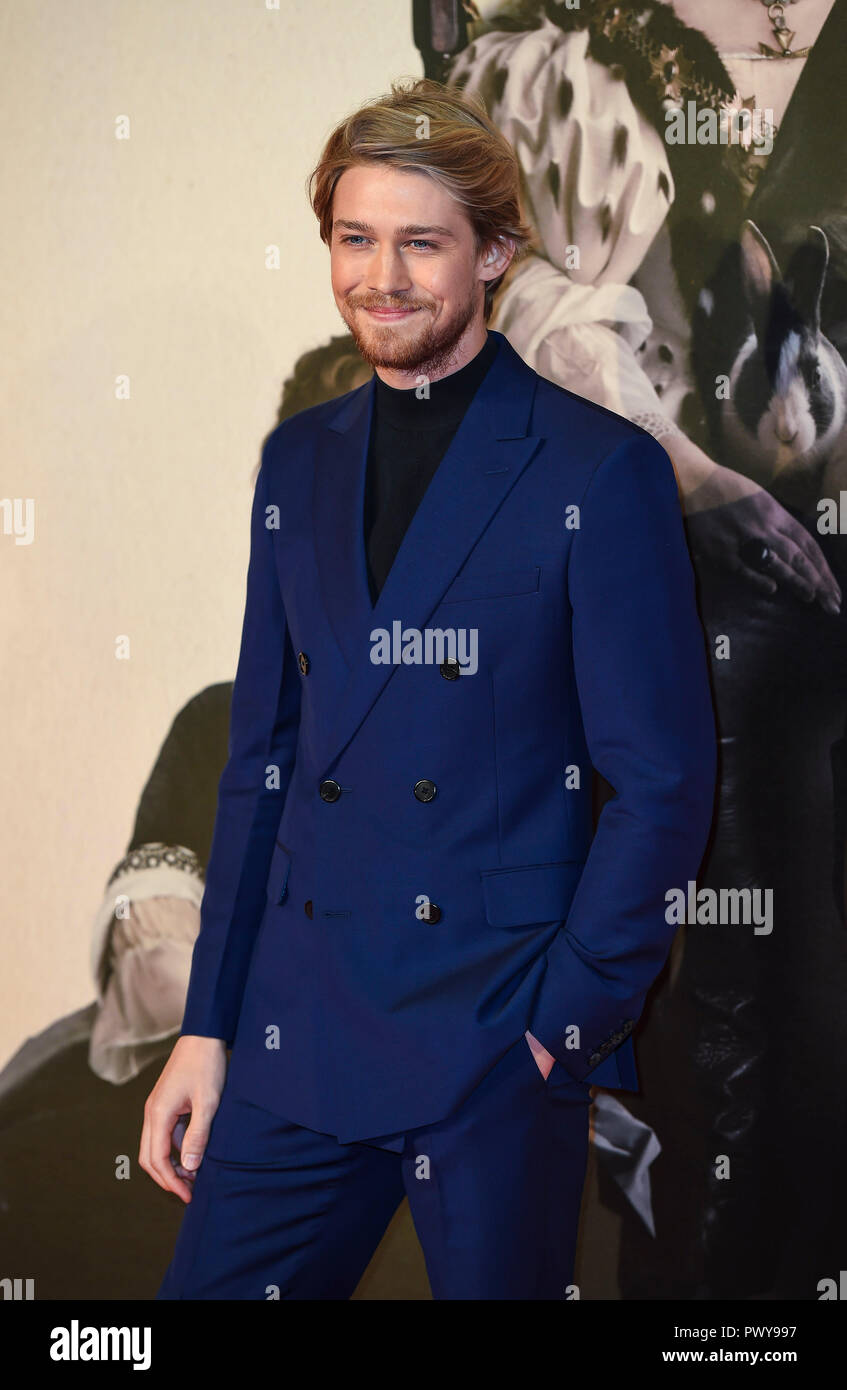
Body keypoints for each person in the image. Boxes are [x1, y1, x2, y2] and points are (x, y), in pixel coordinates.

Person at [141, 75, 717, 1301]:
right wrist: (209, 1022)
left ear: (498, 252)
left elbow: (663, 781)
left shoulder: (597, 470)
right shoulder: (297, 458)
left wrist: (557, 1028)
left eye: (419, 243)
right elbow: (264, 760)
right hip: (298, 1030)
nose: (380, 277)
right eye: (355, 239)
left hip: (488, 1041)